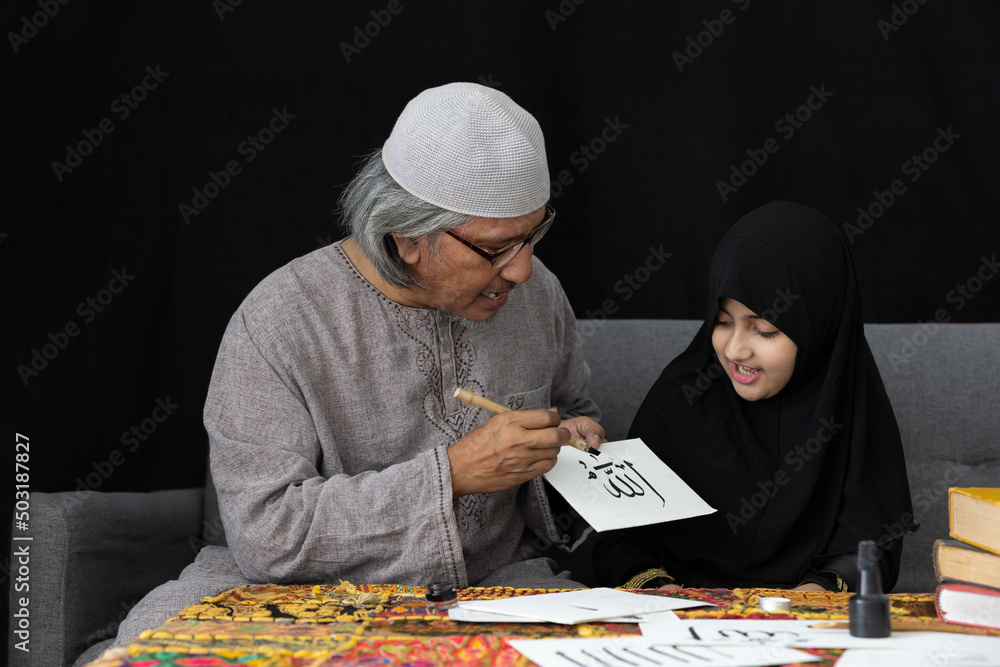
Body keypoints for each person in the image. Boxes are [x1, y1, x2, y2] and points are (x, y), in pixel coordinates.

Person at [111, 82, 604, 647]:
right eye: (496, 249)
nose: (521, 271)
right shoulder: (281, 318)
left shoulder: (539, 294)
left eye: (533, 235)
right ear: (407, 235)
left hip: (493, 584)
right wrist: (453, 476)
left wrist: (571, 440)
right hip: (301, 595)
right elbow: (266, 534)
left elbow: (575, 411)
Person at [593, 201, 915, 593]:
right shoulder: (683, 398)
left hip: (801, 621)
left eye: (764, 330)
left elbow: (871, 549)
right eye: (723, 322)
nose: (734, 351)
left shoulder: (850, 410)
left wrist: (813, 598)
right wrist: (657, 588)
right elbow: (620, 536)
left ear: (819, 326)